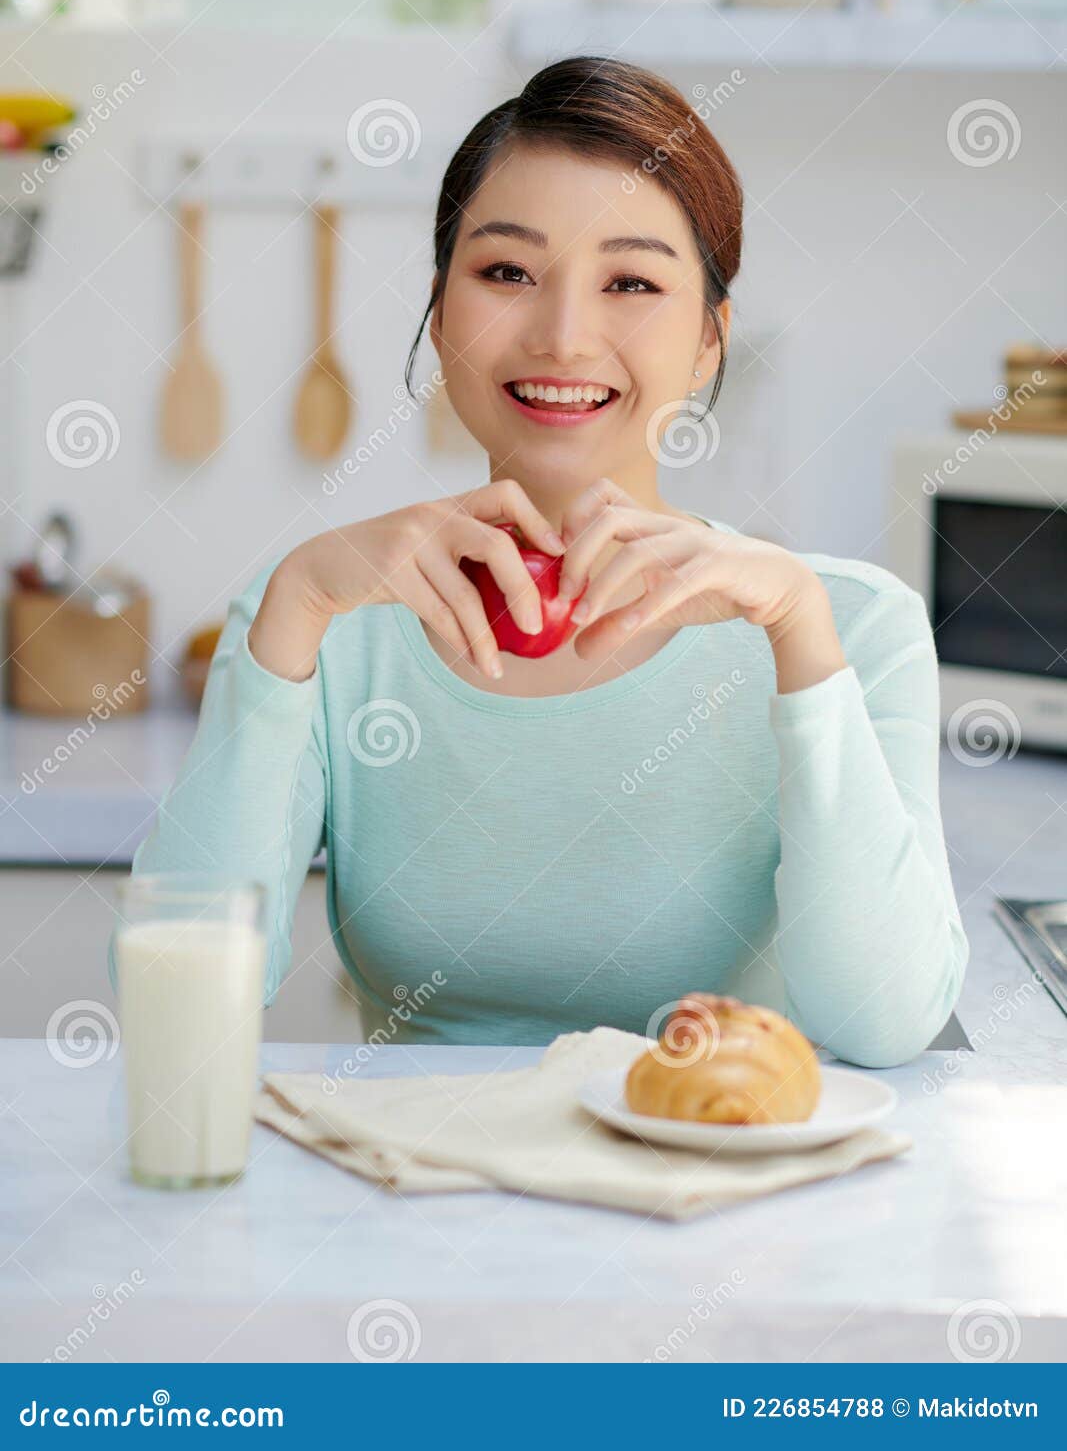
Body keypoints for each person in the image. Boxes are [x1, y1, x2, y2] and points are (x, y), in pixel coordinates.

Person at [119, 55, 968, 1064]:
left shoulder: (846, 623)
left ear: (707, 340)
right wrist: (297, 603)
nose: (563, 336)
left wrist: (798, 638)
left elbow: (884, 1025)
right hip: (414, 1192)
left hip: (722, 1194)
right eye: (507, 272)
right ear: (440, 316)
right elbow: (166, 1012)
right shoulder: (322, 615)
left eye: (630, 282)